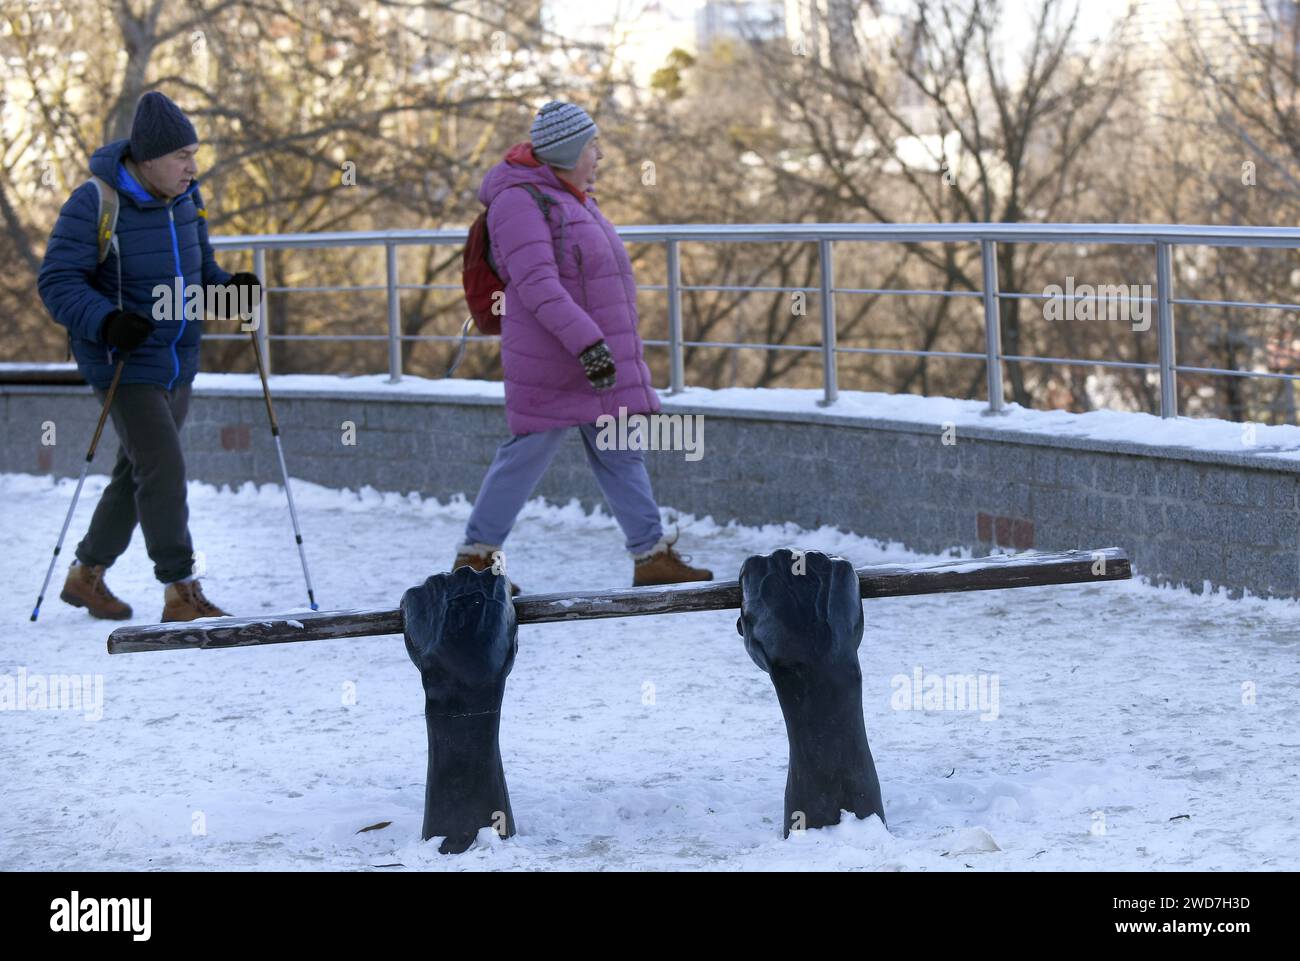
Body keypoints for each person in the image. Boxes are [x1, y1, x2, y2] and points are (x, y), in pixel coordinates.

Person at [452, 100, 711, 593]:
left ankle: (651, 554)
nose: (601, 155)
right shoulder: (520, 202)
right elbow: (537, 285)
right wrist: (588, 343)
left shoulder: (572, 199)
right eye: (593, 145)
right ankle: (476, 559)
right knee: (526, 454)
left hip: (594, 358)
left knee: (621, 449)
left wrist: (601, 348)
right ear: (570, 151)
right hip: (554, 356)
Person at [38, 91, 260, 622]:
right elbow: (57, 282)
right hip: (122, 361)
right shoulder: (94, 202)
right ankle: (180, 591)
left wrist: (233, 291)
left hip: (178, 357)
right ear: (149, 158)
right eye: (182, 156)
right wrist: (108, 320)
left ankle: (85, 575)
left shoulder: (186, 202)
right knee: (163, 467)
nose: (192, 166)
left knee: (135, 471)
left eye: (194, 154)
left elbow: (202, 273)